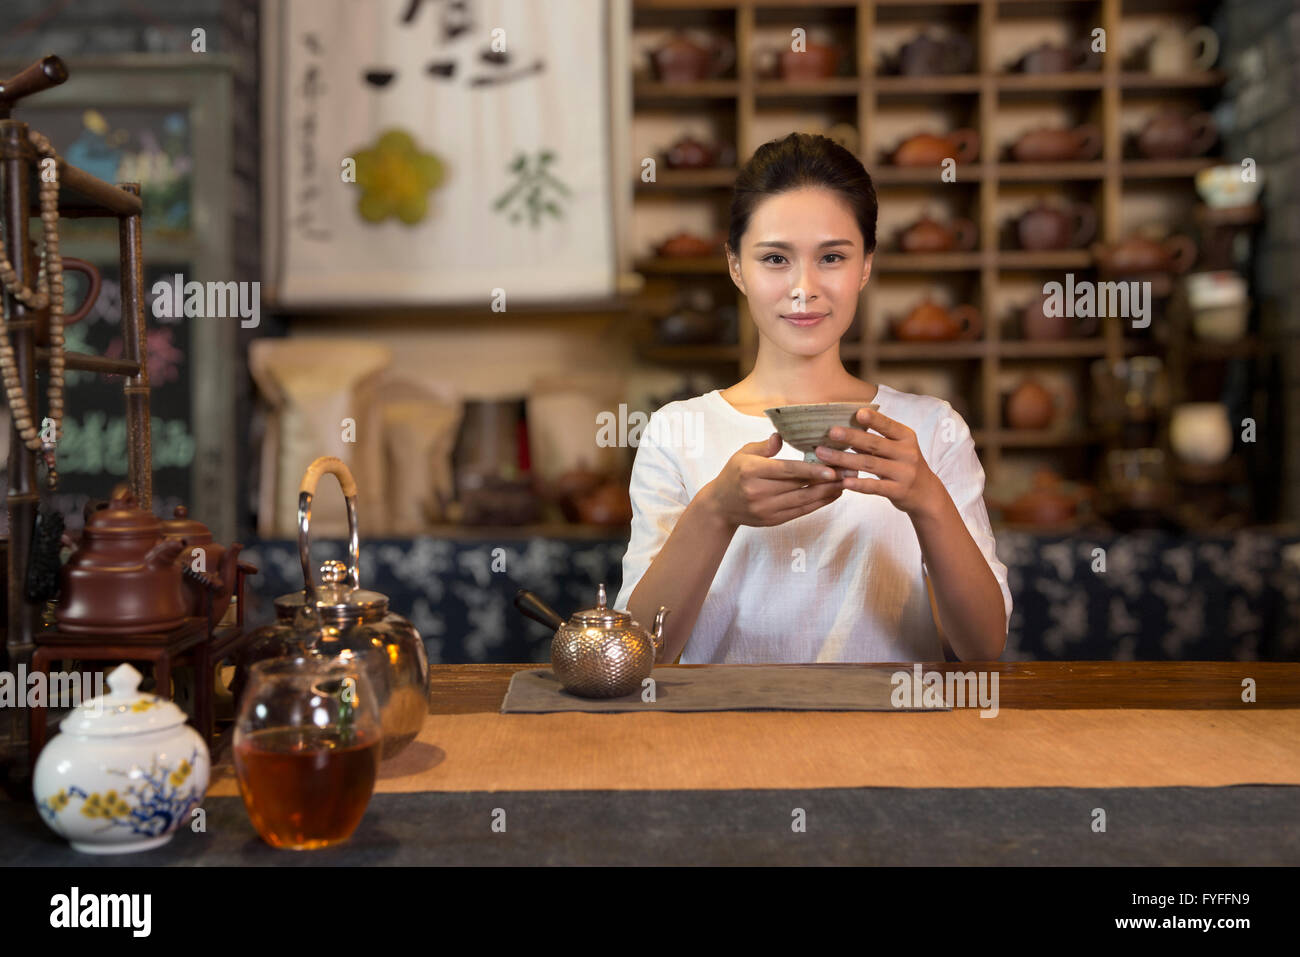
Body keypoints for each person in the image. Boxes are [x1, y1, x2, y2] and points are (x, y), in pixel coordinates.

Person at [613, 132, 1012, 664]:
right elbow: (639, 654)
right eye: (775, 259)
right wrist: (715, 513)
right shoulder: (676, 430)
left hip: (896, 739)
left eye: (831, 257)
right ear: (736, 267)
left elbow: (985, 651)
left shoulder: (932, 428)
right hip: (717, 740)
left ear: (865, 265)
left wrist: (928, 500)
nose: (804, 287)